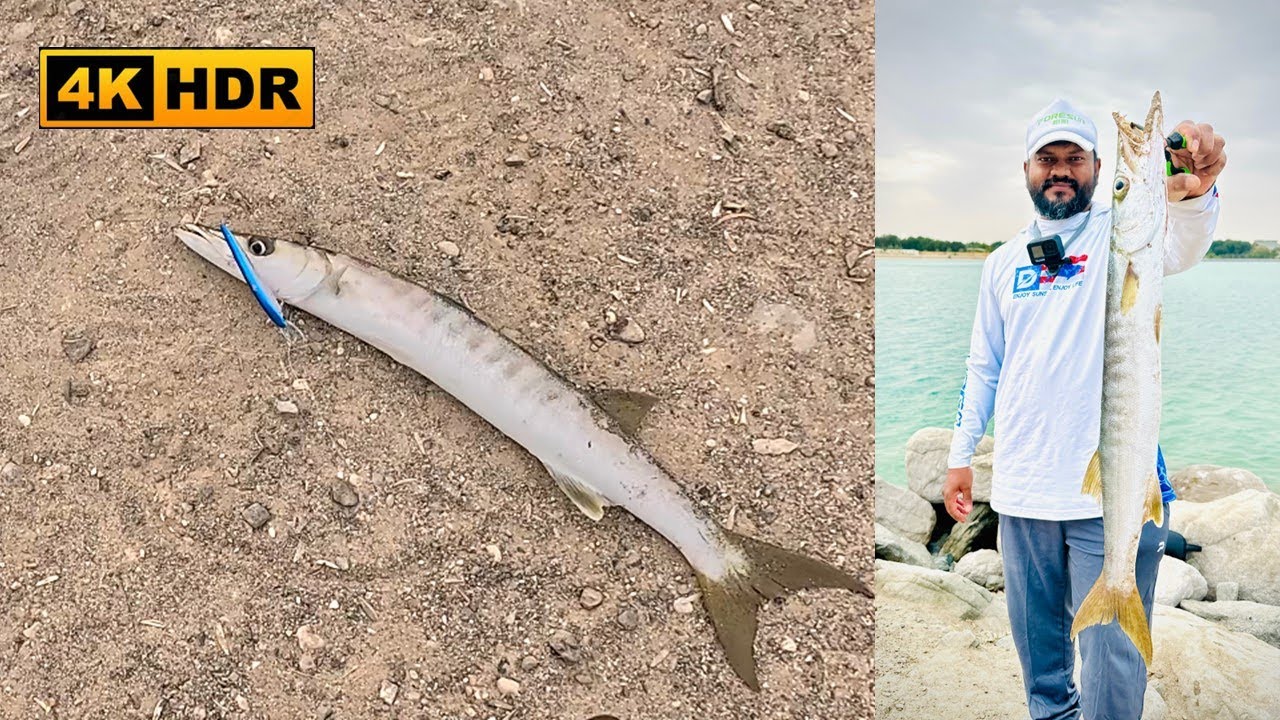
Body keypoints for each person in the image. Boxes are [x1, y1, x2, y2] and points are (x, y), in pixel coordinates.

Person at [944, 97, 1226, 720]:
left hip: (1112, 499)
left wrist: (1195, 189)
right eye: (1048, 159)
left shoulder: (1121, 233)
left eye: (1076, 158)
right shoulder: (1000, 264)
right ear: (1027, 170)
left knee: (1112, 674)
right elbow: (982, 367)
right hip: (1021, 494)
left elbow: (1182, 237)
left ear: (1098, 168)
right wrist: (961, 454)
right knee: (1042, 668)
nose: (1061, 170)